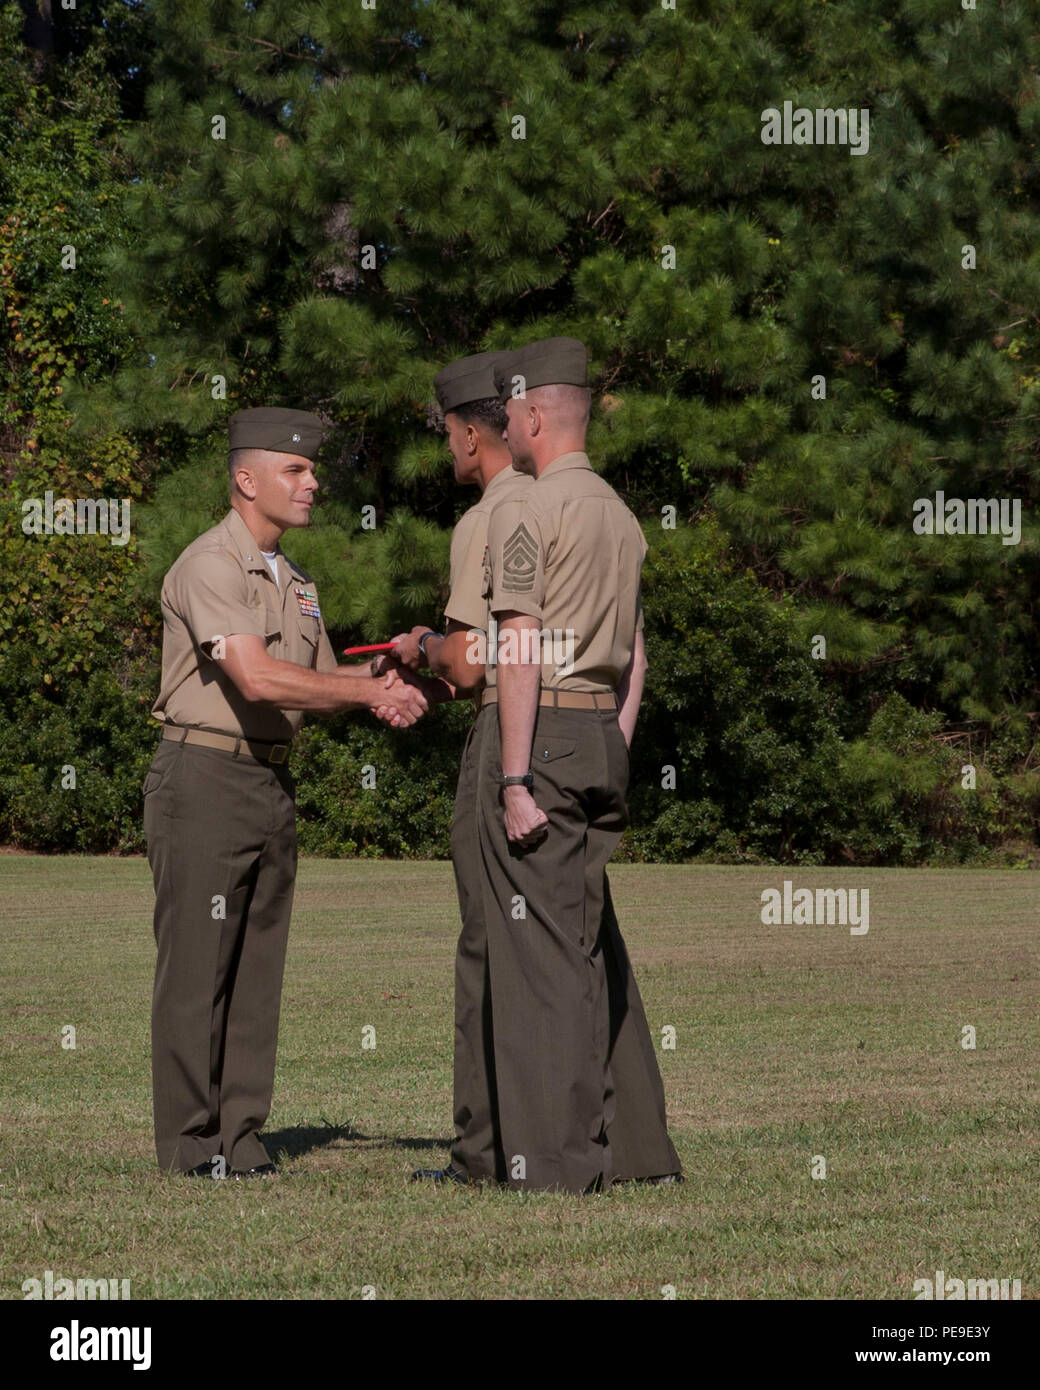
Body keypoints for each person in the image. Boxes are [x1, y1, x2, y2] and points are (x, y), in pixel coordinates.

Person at [143, 406, 429, 1179]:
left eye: (312, 470)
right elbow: (257, 677)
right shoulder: (210, 564)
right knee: (198, 966)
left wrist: (392, 676)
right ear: (246, 479)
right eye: (295, 470)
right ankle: (191, 1146)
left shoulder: (296, 583)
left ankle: (240, 1139)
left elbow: (322, 682)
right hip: (204, 777)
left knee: (256, 969)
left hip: (270, 780)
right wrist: (369, 694)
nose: (313, 483)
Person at [476, 337, 683, 1193]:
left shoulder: (528, 508)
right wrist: (616, 743)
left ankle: (557, 1164)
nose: (505, 429)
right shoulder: (621, 517)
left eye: (508, 415)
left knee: (540, 956)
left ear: (531, 415)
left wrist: (514, 777)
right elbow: (636, 656)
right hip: (600, 728)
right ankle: (634, 1152)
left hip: (544, 730)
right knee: (589, 942)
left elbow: (519, 642)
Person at [384, 352, 533, 1184]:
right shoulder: (565, 504)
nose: (448, 451)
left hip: (501, 737)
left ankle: (483, 1150)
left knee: (486, 940)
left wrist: (423, 646)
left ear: (473, 435)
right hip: (571, 731)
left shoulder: (488, 517)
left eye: (448, 436)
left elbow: (473, 664)